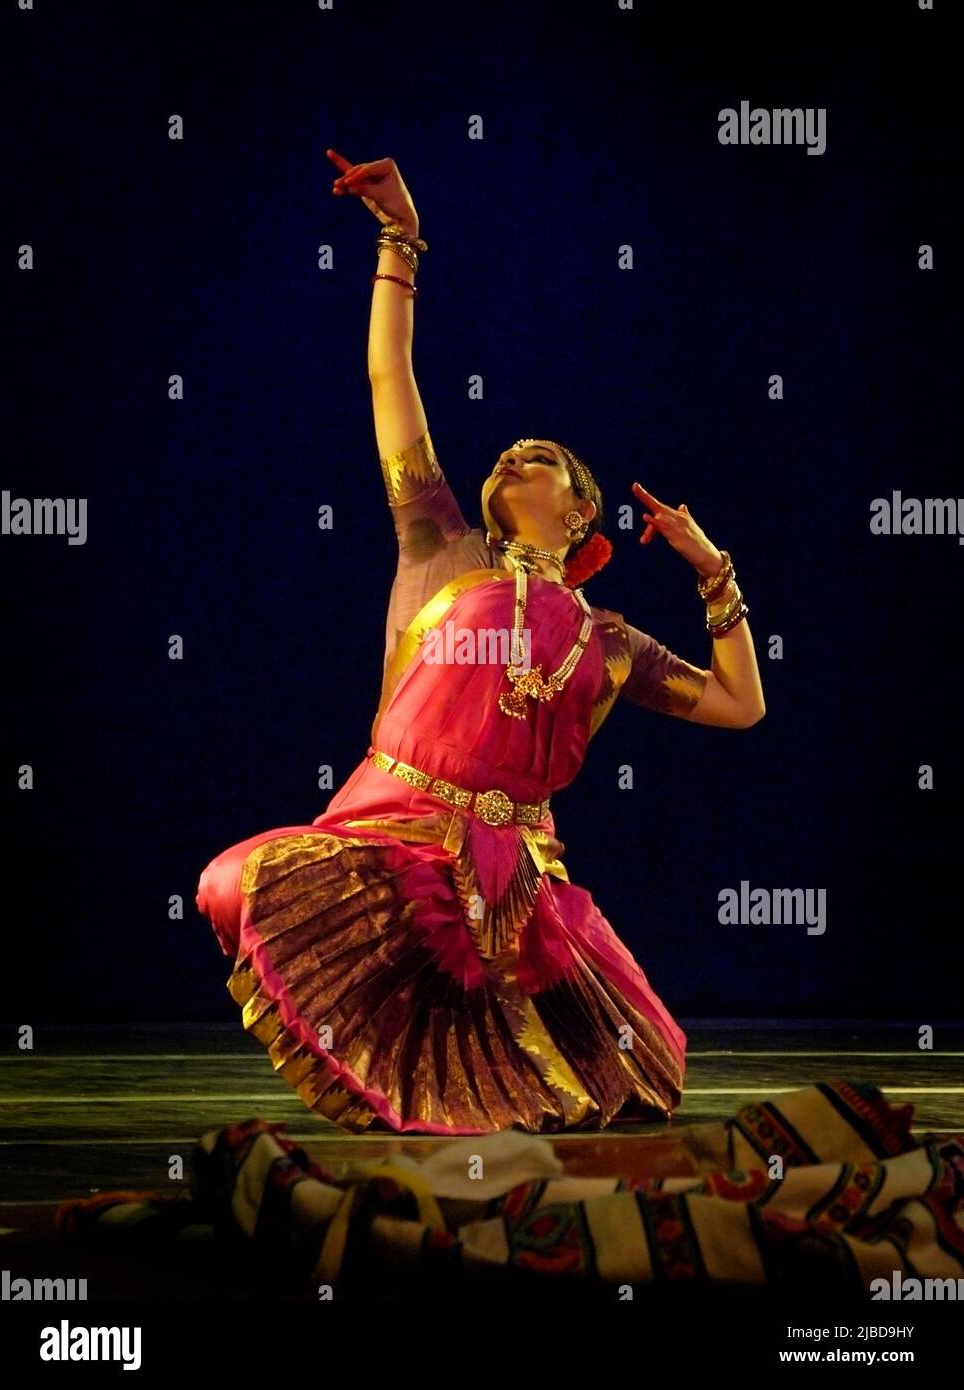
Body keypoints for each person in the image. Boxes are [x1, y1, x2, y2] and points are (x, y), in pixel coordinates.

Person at [195, 152, 766, 1136]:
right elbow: (389, 375)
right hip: (394, 845)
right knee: (230, 884)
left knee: (605, 1084)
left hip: (518, 884)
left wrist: (714, 576)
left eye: (536, 458)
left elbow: (738, 704)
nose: (512, 454)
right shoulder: (436, 541)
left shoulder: (606, 639)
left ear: (579, 508)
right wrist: (399, 240)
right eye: (509, 452)